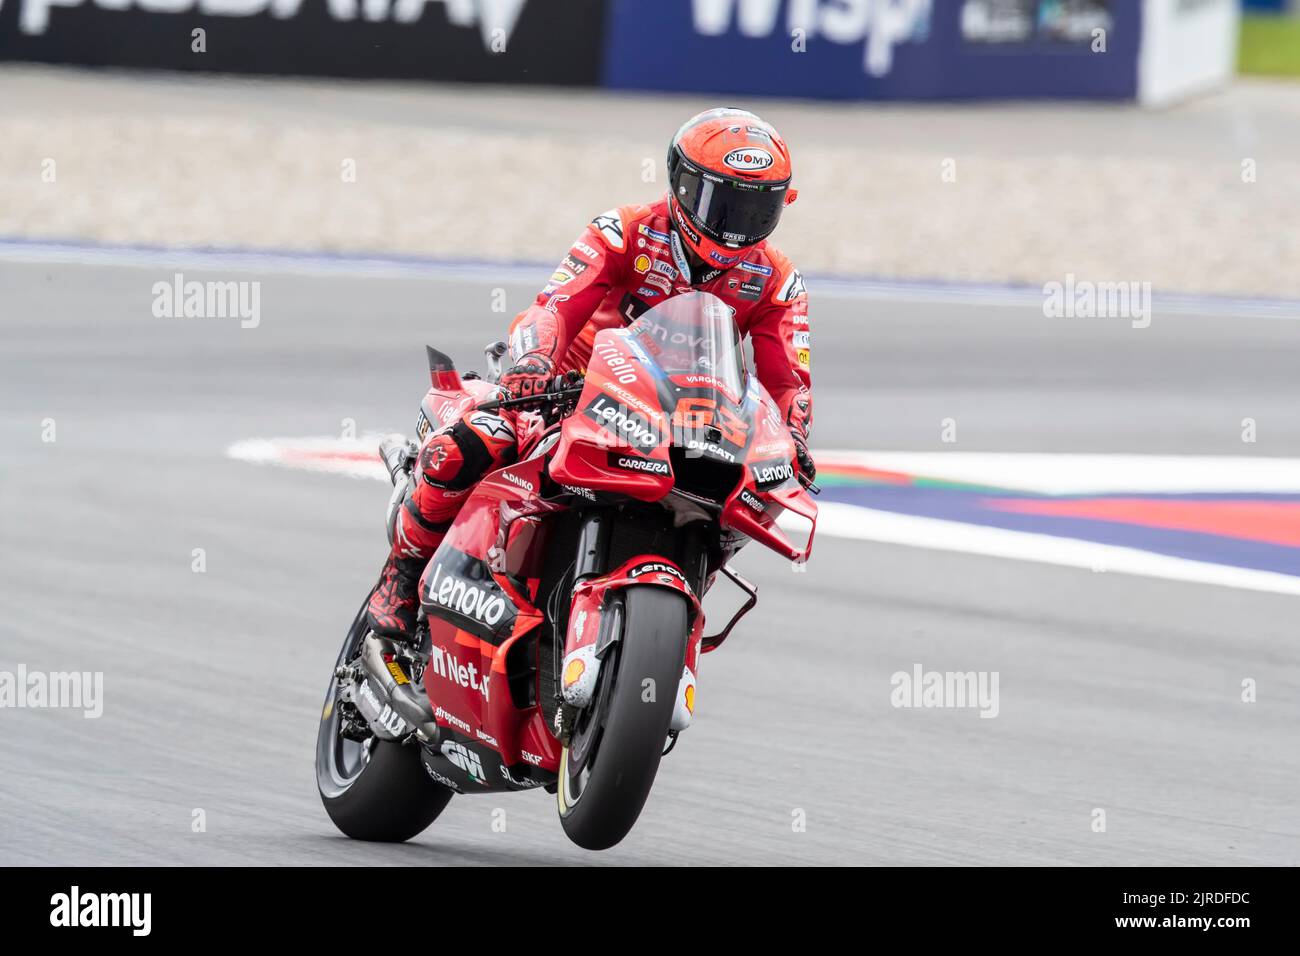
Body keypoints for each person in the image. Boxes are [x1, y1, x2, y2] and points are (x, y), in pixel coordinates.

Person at [367, 107, 814, 640]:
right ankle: (402, 575)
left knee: (747, 499)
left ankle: (675, 606)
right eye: (724, 203)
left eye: (755, 210)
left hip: (688, 424)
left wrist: (794, 439)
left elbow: (788, 380)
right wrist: (533, 364)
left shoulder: (776, 280)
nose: (735, 225)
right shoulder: (624, 231)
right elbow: (554, 304)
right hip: (575, 401)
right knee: (470, 444)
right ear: (683, 185)